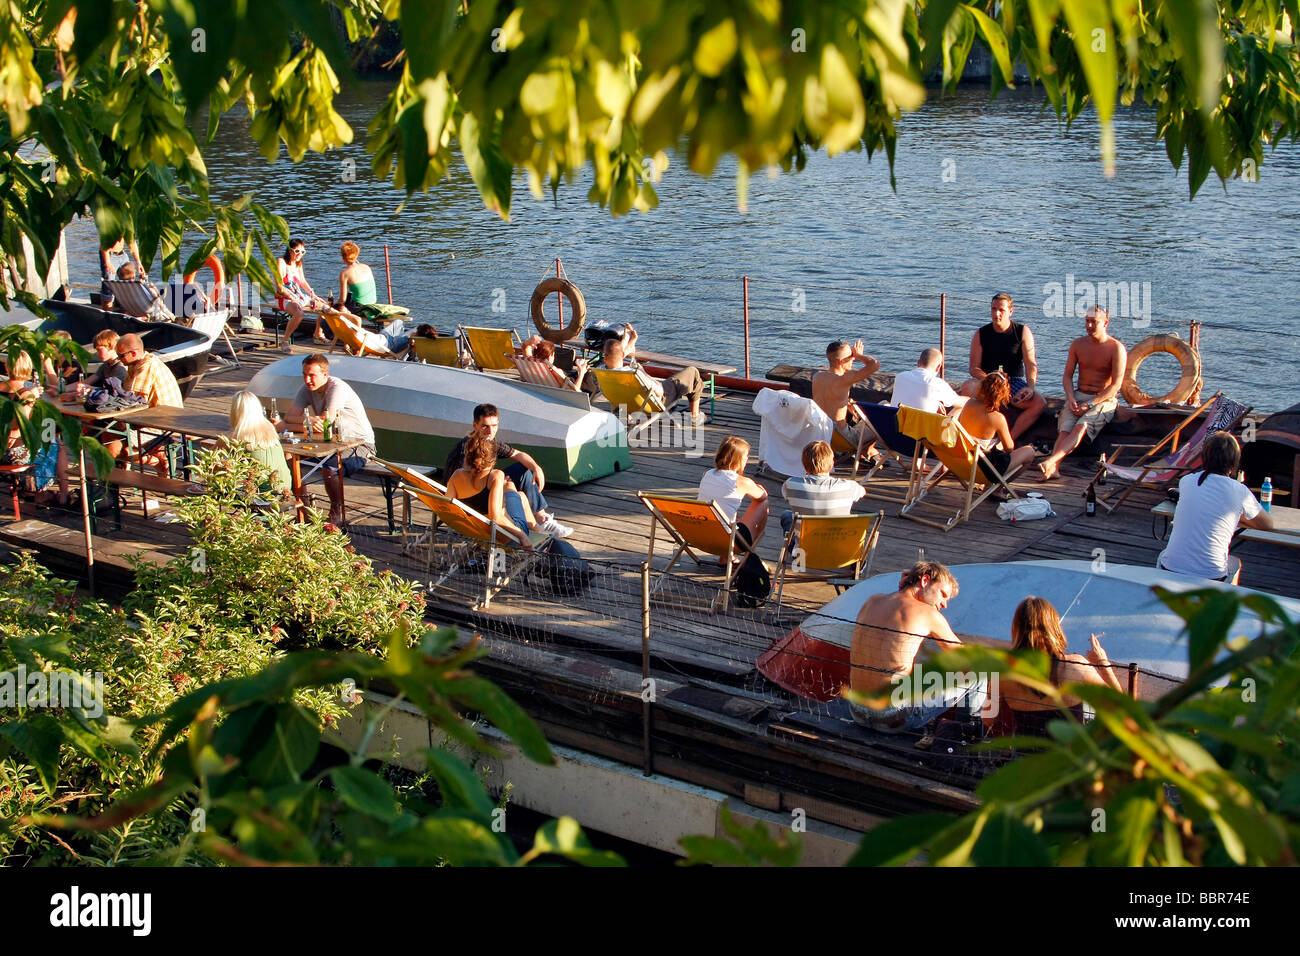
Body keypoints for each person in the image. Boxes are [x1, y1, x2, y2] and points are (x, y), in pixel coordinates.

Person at [849, 561, 965, 732]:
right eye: (943, 594)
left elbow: (892, 618)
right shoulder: (928, 614)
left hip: (856, 711)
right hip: (893, 717)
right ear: (925, 581)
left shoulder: (872, 601)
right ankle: (966, 736)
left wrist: (906, 583)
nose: (944, 604)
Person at [993, 596, 1125, 737]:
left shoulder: (1003, 673)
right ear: (1054, 626)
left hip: (1027, 756)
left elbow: (989, 719)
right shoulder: (1076, 666)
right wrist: (1102, 662)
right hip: (1072, 756)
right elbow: (1120, 704)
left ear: (1016, 628)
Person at [442, 403, 572, 538]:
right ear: (475, 426)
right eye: (485, 426)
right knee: (519, 495)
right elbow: (469, 479)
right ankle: (537, 527)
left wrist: (535, 467)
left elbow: (517, 454)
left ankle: (541, 518)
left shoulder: (489, 443)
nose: (490, 431)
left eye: (494, 426)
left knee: (523, 469)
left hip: (482, 488)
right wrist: (498, 481)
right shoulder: (469, 448)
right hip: (472, 499)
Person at [1158, 431, 1273, 584]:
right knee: (1234, 564)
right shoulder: (1240, 491)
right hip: (1210, 575)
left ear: (1204, 457)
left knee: (1164, 555)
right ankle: (1223, 602)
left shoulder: (1186, 481)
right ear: (1234, 461)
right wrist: (1234, 516)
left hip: (1170, 568)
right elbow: (1267, 524)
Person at [1036, 306, 1127, 481]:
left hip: (1103, 399)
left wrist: (1091, 403)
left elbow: (1116, 385)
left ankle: (1051, 461)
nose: (1090, 325)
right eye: (1087, 321)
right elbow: (1067, 376)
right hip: (1078, 395)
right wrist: (1070, 397)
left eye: (1095, 322)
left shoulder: (1116, 348)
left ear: (1106, 323)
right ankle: (1053, 469)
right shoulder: (1078, 344)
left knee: (1082, 426)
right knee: (1065, 429)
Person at [285, 353, 377, 526]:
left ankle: (337, 511)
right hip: (327, 443)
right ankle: (304, 507)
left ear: (325, 375)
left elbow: (326, 421)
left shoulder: (337, 388)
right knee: (289, 458)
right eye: (304, 374)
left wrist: (302, 424)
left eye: (312, 375)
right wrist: (310, 421)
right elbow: (289, 418)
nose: (307, 380)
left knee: (330, 466)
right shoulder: (306, 389)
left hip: (359, 443)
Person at [960, 293, 1047, 441]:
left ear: (1010, 312)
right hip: (988, 380)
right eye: (993, 309)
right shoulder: (981, 334)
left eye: (1001, 310)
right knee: (968, 387)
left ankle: (1008, 440)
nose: (996, 314)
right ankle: (966, 436)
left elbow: (1031, 364)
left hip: (1013, 381)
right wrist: (990, 380)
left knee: (1040, 403)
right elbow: (974, 368)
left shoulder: (1022, 332)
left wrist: (1031, 387)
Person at [445, 432, 543, 550]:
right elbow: (495, 517)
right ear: (494, 459)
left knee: (513, 493)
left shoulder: (456, 476)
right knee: (519, 495)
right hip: (506, 536)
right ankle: (541, 544)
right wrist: (522, 536)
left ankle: (541, 540)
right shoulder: (495, 476)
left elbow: (447, 508)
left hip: (474, 530)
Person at [601, 323, 707, 425]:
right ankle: (695, 417)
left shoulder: (601, 373)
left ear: (605, 357)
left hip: (628, 402)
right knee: (693, 373)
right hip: (653, 403)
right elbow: (659, 392)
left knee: (638, 369)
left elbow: (615, 360)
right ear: (623, 355)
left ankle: (629, 346)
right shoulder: (633, 373)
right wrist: (647, 375)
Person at [2, 352, 70, 505]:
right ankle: (54, 494)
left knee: (47, 437)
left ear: (7, 367)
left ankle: (32, 488)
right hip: (10, 454)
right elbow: (17, 429)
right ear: (28, 367)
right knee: (55, 443)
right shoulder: (25, 394)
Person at [779, 440, 867, 556]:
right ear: (831, 464)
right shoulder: (848, 486)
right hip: (841, 552)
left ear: (804, 465)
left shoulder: (790, 484)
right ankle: (855, 565)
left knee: (787, 515)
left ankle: (796, 553)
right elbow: (862, 492)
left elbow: (786, 496)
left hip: (805, 551)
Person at [956, 372, 1036, 482]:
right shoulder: (997, 418)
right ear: (1002, 393)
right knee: (1029, 452)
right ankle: (997, 489)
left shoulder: (970, 403)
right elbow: (1009, 448)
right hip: (985, 468)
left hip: (961, 462)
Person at [811, 338, 881, 458]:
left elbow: (831, 399)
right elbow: (875, 365)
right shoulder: (843, 380)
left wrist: (846, 401)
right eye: (851, 356)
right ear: (840, 362)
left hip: (824, 434)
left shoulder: (817, 377)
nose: (853, 359)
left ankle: (866, 451)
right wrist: (860, 355)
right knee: (885, 409)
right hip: (845, 439)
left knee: (862, 413)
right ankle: (867, 451)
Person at [698, 435, 769, 546]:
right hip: (727, 541)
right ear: (738, 459)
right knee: (763, 502)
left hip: (700, 536)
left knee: (727, 512)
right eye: (746, 456)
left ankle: (725, 558)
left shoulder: (708, 474)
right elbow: (763, 496)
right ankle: (749, 554)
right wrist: (758, 488)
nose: (747, 459)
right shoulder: (741, 482)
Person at [228, 390, 292, 493]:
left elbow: (209, 462)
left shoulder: (235, 436)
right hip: (285, 488)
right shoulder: (270, 428)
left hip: (262, 494)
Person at [276, 238, 331, 349]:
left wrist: (312, 294)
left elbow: (302, 281)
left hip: (299, 296)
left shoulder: (298, 264)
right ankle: (285, 340)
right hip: (284, 297)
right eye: (297, 251)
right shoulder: (281, 262)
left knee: (325, 306)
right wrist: (292, 298)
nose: (299, 254)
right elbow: (279, 286)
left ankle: (317, 334)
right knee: (299, 314)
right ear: (290, 250)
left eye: (302, 252)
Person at [890, 348, 966, 414]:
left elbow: (915, 394)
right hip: (923, 429)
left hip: (895, 427)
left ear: (918, 363)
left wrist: (936, 402)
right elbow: (960, 403)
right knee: (961, 407)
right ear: (938, 367)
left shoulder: (901, 376)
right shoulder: (937, 384)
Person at [321, 307, 410, 355]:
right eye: (346, 310)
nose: (349, 311)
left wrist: (337, 313)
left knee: (398, 322)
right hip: (387, 345)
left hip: (381, 337)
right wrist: (340, 314)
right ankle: (404, 356)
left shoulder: (342, 327)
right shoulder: (350, 325)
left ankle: (400, 348)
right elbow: (358, 319)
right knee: (416, 332)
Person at [99, 237, 145, 308]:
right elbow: (104, 245)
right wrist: (107, 262)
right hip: (109, 255)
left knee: (130, 276)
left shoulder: (126, 226)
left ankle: (127, 307)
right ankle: (107, 311)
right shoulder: (111, 226)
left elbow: (132, 243)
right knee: (109, 283)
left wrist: (138, 262)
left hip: (122, 255)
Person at [336, 241, 379, 311]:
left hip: (359, 307)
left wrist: (333, 306)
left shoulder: (345, 273)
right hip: (372, 303)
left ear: (343, 257)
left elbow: (342, 300)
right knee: (350, 295)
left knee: (325, 320)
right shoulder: (366, 267)